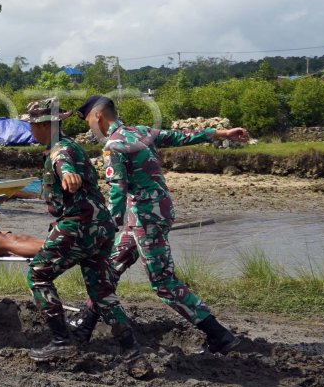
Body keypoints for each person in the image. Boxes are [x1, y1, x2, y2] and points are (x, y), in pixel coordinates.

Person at [74, 94, 249, 354]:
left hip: (146, 217)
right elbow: (183, 137)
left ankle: (219, 335)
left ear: (97, 115)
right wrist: (223, 132)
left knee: (163, 282)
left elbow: (117, 190)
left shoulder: (113, 145)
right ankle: (84, 328)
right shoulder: (141, 132)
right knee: (109, 268)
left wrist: (106, 228)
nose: (89, 126)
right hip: (152, 212)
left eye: (88, 119)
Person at [21, 99, 145, 364]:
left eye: (32, 124)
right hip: (102, 227)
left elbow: (63, 165)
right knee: (101, 291)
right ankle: (132, 351)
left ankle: (61, 341)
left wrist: (67, 175)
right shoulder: (72, 146)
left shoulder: (60, 150)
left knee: (38, 274)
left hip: (78, 224)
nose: (30, 129)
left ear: (45, 125)